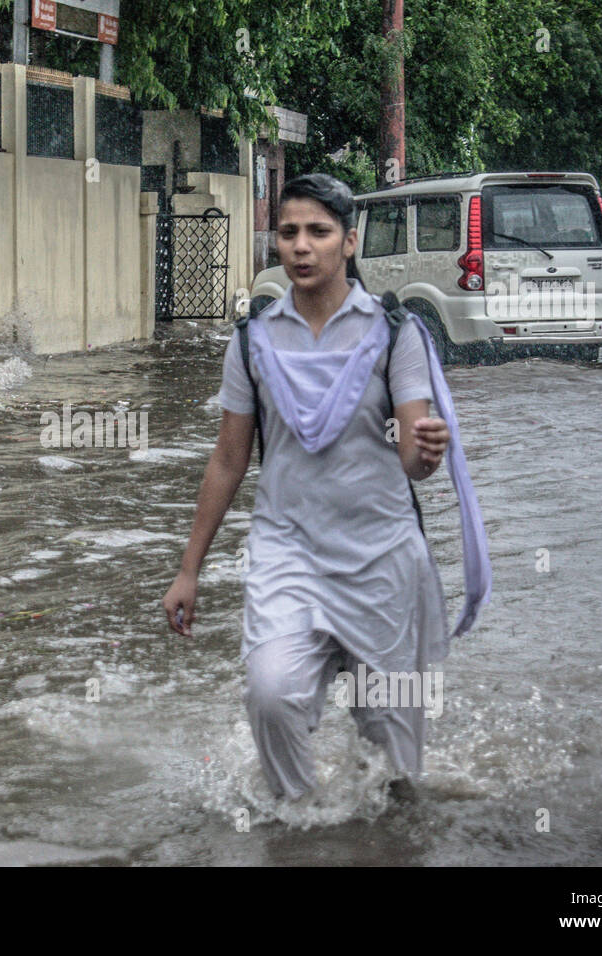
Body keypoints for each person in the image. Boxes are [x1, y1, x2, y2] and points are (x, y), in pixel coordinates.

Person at [161, 173, 490, 802]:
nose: (302, 247)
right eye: (289, 233)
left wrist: (426, 452)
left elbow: (411, 457)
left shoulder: (396, 333)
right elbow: (229, 460)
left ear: (349, 242)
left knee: (397, 772)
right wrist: (189, 569)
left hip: (384, 560)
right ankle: (298, 827)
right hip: (289, 555)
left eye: (319, 231)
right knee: (271, 695)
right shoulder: (253, 339)